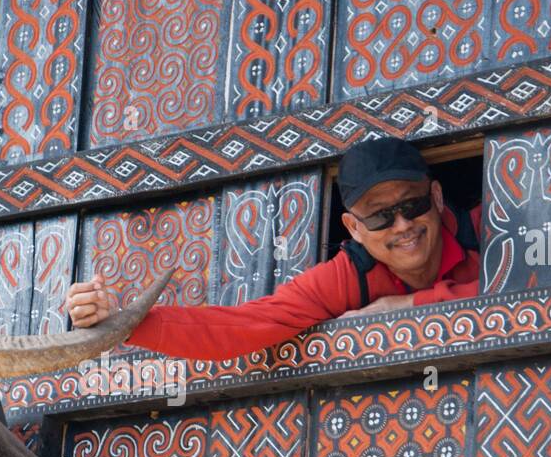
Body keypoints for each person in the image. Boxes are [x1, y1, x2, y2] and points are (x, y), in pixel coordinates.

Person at [64, 137, 483, 362]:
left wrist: (407, 305)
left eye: (414, 205)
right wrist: (122, 324)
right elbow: (241, 328)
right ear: (354, 228)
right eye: (381, 217)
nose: (404, 225)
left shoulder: (489, 229)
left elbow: (532, 281)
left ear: (439, 197)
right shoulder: (345, 276)